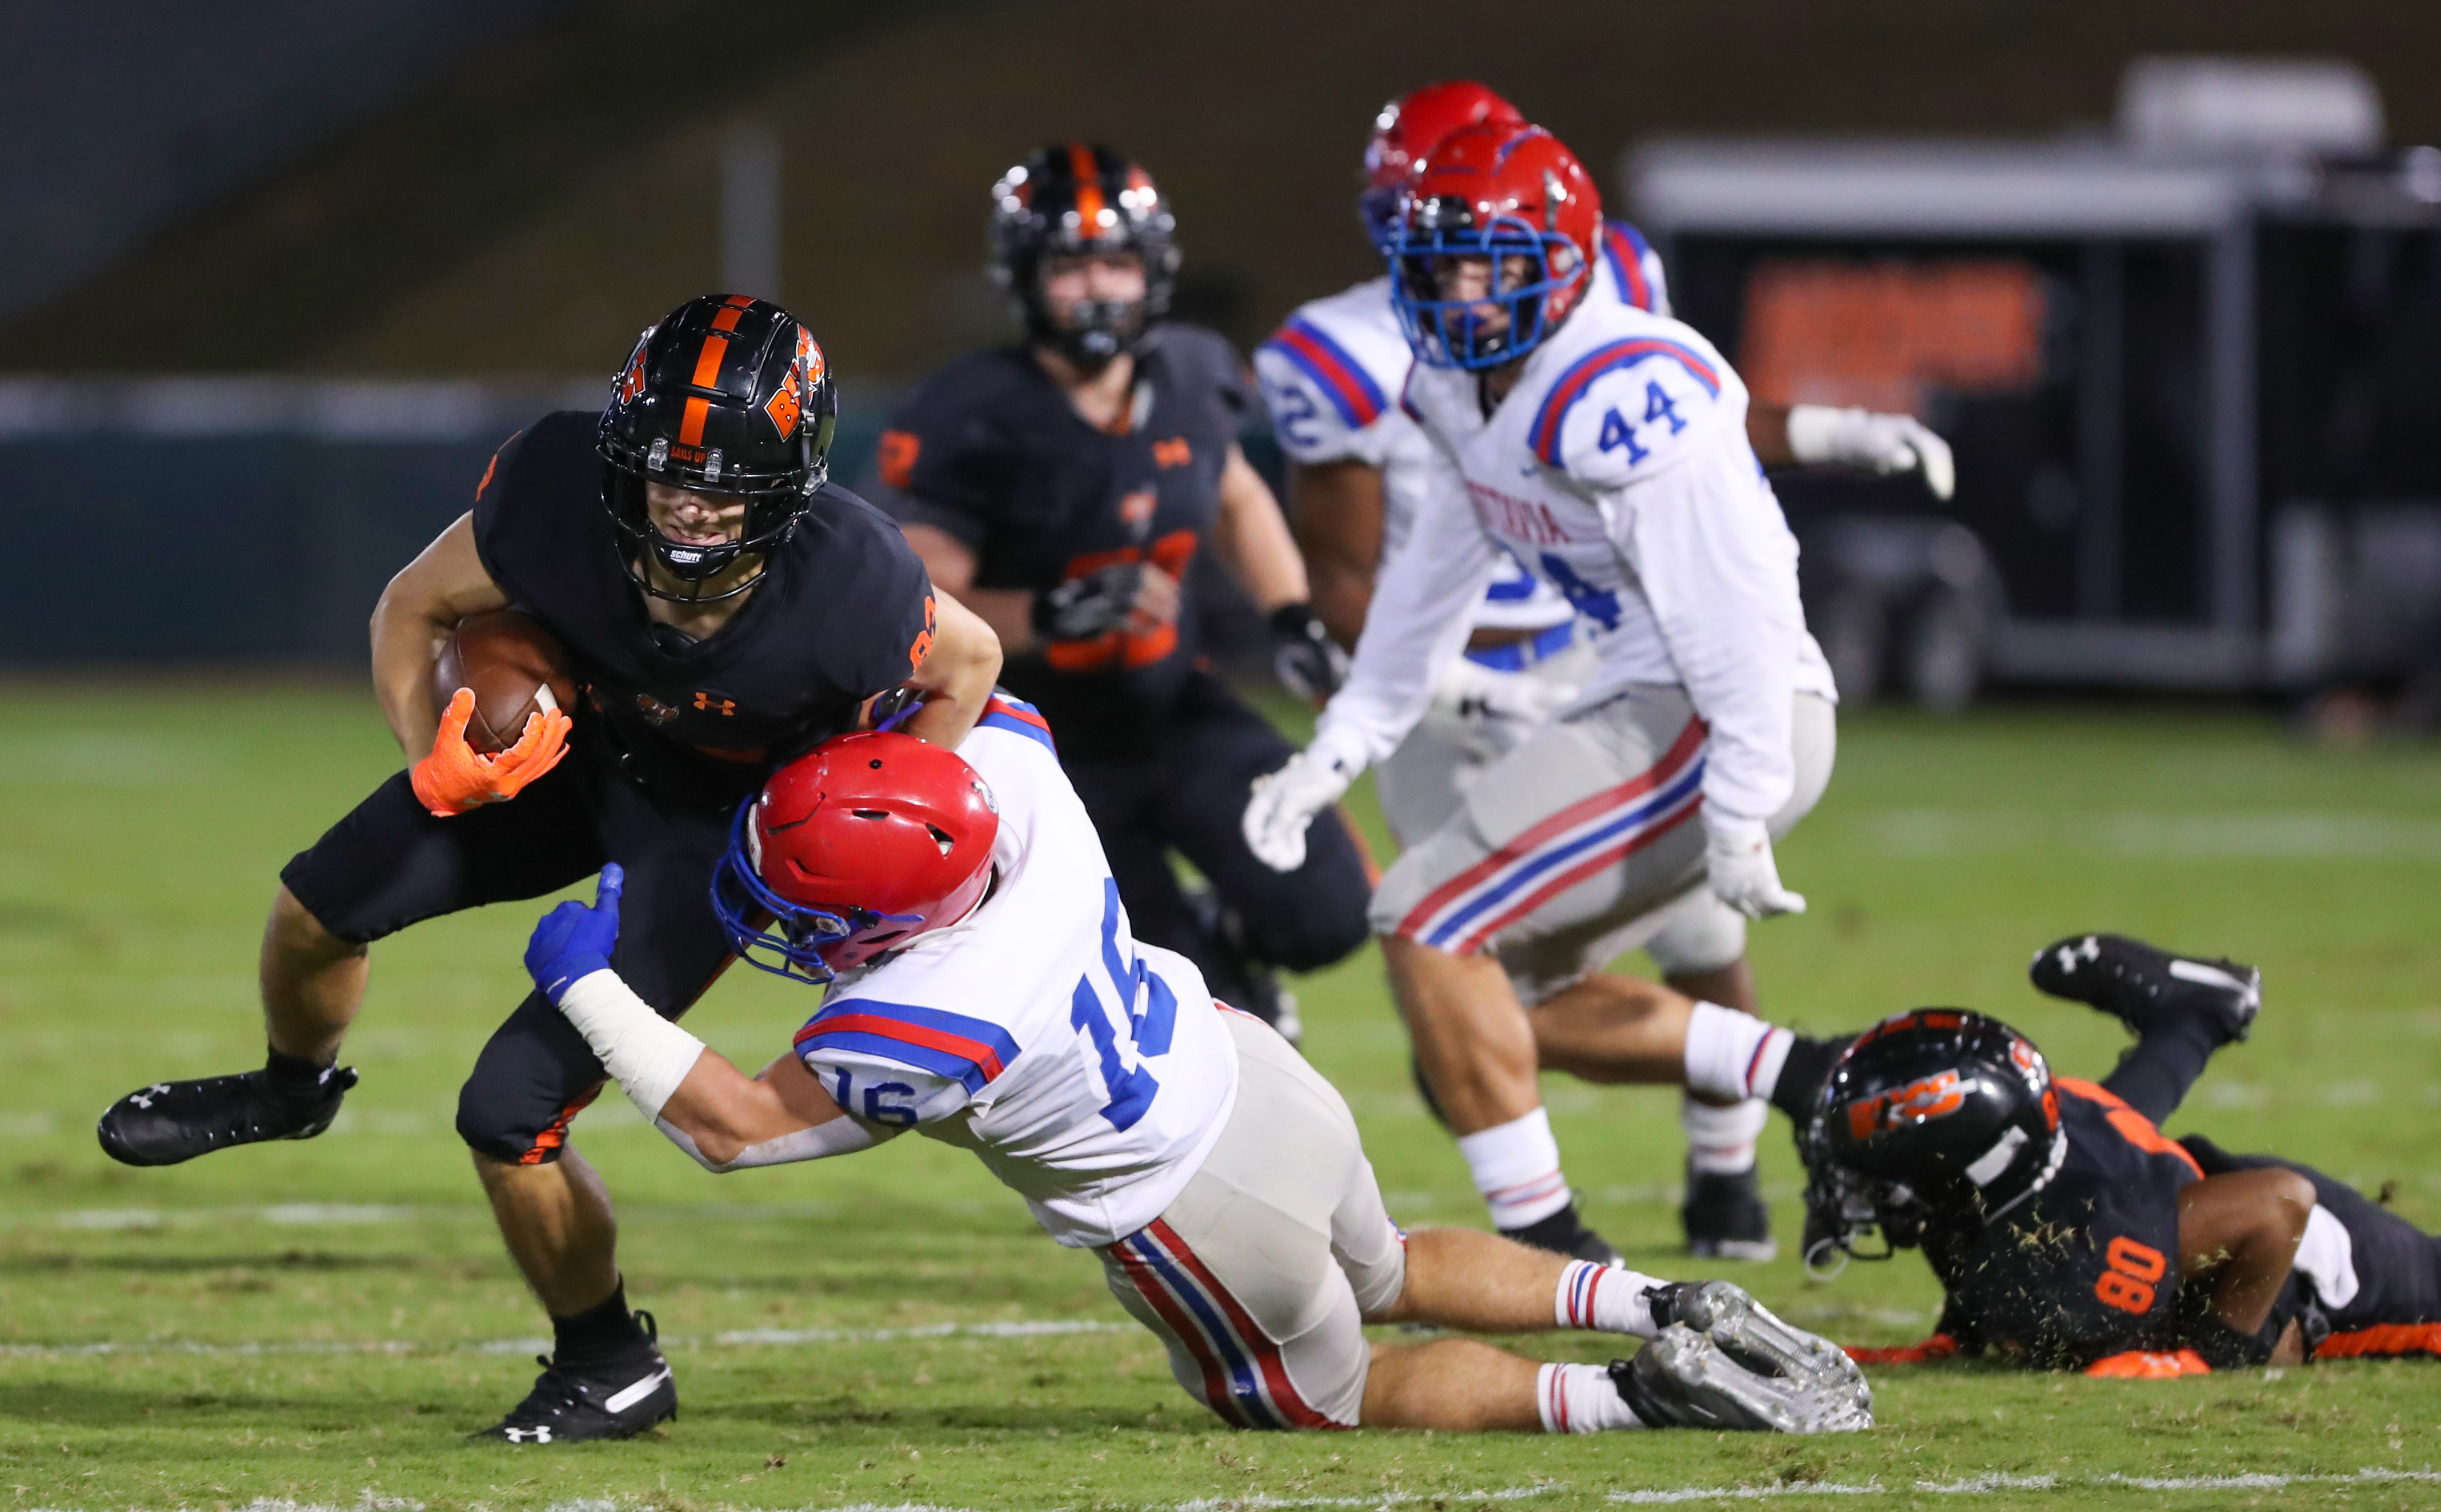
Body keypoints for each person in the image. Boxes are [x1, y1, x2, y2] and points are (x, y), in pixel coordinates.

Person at [93, 295, 1003, 1442]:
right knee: (318, 904)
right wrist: (430, 750)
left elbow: (970, 662)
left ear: (785, 489)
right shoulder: (553, 486)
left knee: (508, 1108)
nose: (687, 505)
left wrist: (858, 822)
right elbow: (412, 605)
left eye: (721, 485)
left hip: (709, 832)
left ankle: (610, 1360)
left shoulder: (856, 587)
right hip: (567, 754)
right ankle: (291, 1086)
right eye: (667, 475)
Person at [514, 712, 1874, 1435]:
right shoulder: (1008, 773)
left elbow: (737, 1131)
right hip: (1254, 1068)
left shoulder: (931, 1014)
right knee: (1388, 1261)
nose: (791, 939)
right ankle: (1659, 1300)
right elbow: (966, 684)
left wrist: (590, 985)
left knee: (1338, 1396)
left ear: (897, 927)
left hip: (1196, 1205)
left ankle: (1634, 1397)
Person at [1252, 84, 1955, 1261]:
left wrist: (1738, 802)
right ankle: (1819, 1081)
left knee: (1423, 918)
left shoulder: (1611, 385)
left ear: (1563, 259)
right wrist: (1343, 742)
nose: (1458, 295)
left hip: (1715, 701)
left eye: (1488, 266)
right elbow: (1429, 570)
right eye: (1438, 267)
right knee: (1505, 995)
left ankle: (1554, 1252)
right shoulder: (1445, 380)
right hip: (1638, 696)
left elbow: (1730, 605)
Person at [861, 142, 1368, 1040]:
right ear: (1025, 277)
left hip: (1175, 703)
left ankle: (1220, 921)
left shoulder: (1197, 368)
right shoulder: (967, 412)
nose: (1098, 288)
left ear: (1154, 273)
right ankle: (1201, 956)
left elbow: (1235, 492)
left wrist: (1290, 615)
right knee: (1200, 1013)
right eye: (1072, 266)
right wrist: (1051, 613)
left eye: (1117, 263)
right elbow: (926, 599)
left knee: (1331, 914)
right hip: (1045, 743)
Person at [1510, 931, 2441, 1372]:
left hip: (2327, 1276)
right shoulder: (2008, 1168)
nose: (1852, 1188)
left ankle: (2194, 1017)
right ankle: (2195, 1016)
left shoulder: (2083, 1247)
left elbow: (2275, 1206)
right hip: (2147, 1168)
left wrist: (2210, 1359)